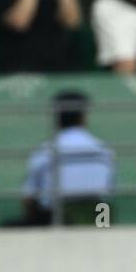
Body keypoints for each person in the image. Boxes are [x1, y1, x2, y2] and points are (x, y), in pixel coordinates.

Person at [16, 90, 115, 226]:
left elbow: (29, 199)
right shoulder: (104, 151)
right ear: (83, 116)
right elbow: (107, 193)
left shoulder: (45, 151)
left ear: (55, 117)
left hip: (56, 221)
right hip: (99, 219)